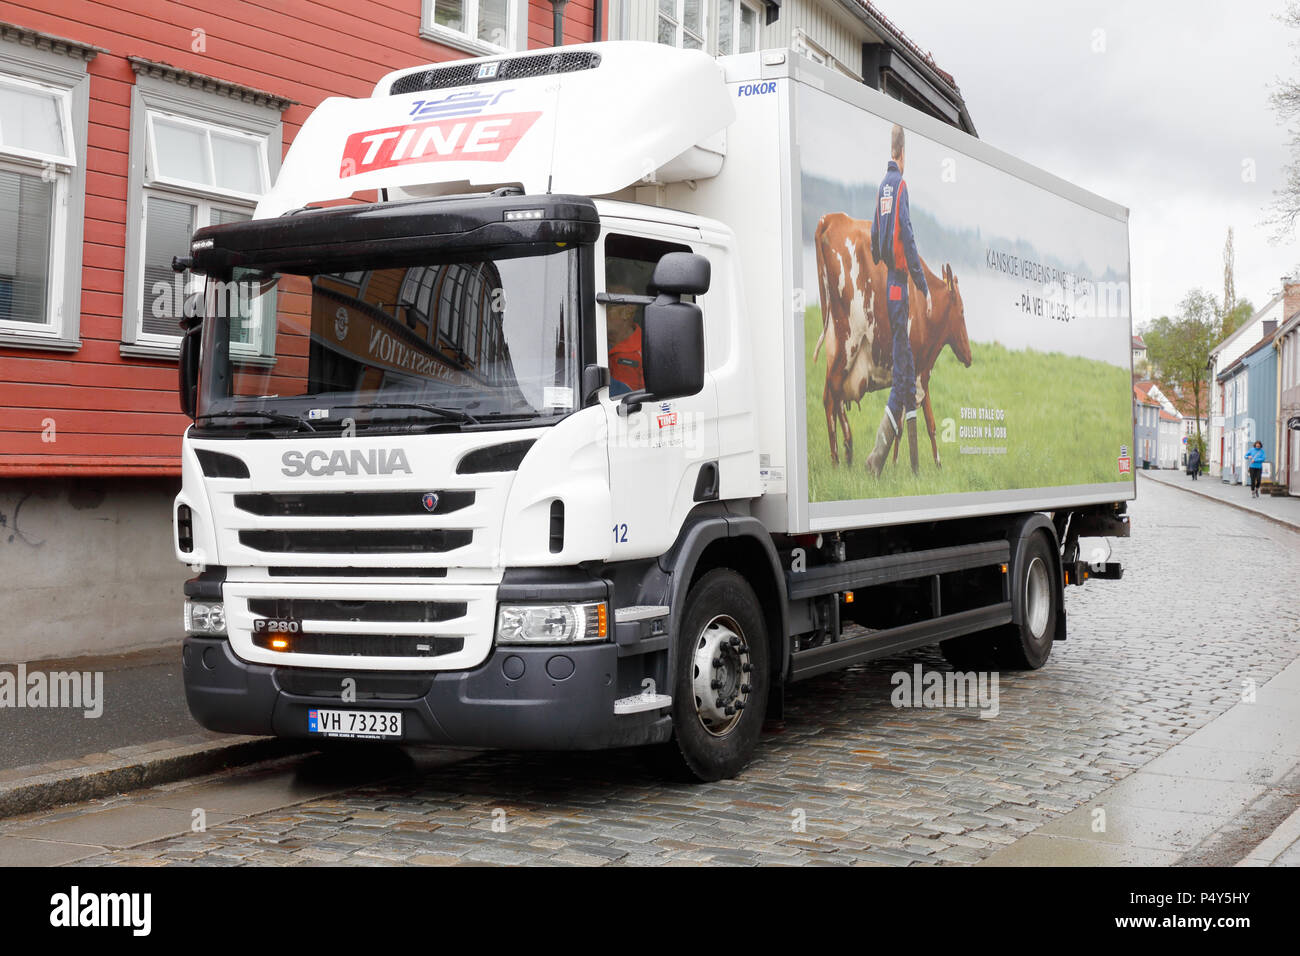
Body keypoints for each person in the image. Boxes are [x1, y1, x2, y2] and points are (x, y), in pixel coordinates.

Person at [866, 123, 932, 477]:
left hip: (889, 282)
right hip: (900, 285)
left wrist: (881, 258)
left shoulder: (881, 188)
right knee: (904, 372)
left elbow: (876, 232)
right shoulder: (901, 185)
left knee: (905, 372)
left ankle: (913, 466)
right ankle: (877, 458)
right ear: (903, 153)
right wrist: (920, 282)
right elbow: (905, 230)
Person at [605, 284, 644, 397]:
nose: (599, 311)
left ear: (628, 311)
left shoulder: (648, 351)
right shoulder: (588, 342)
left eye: (607, 306)